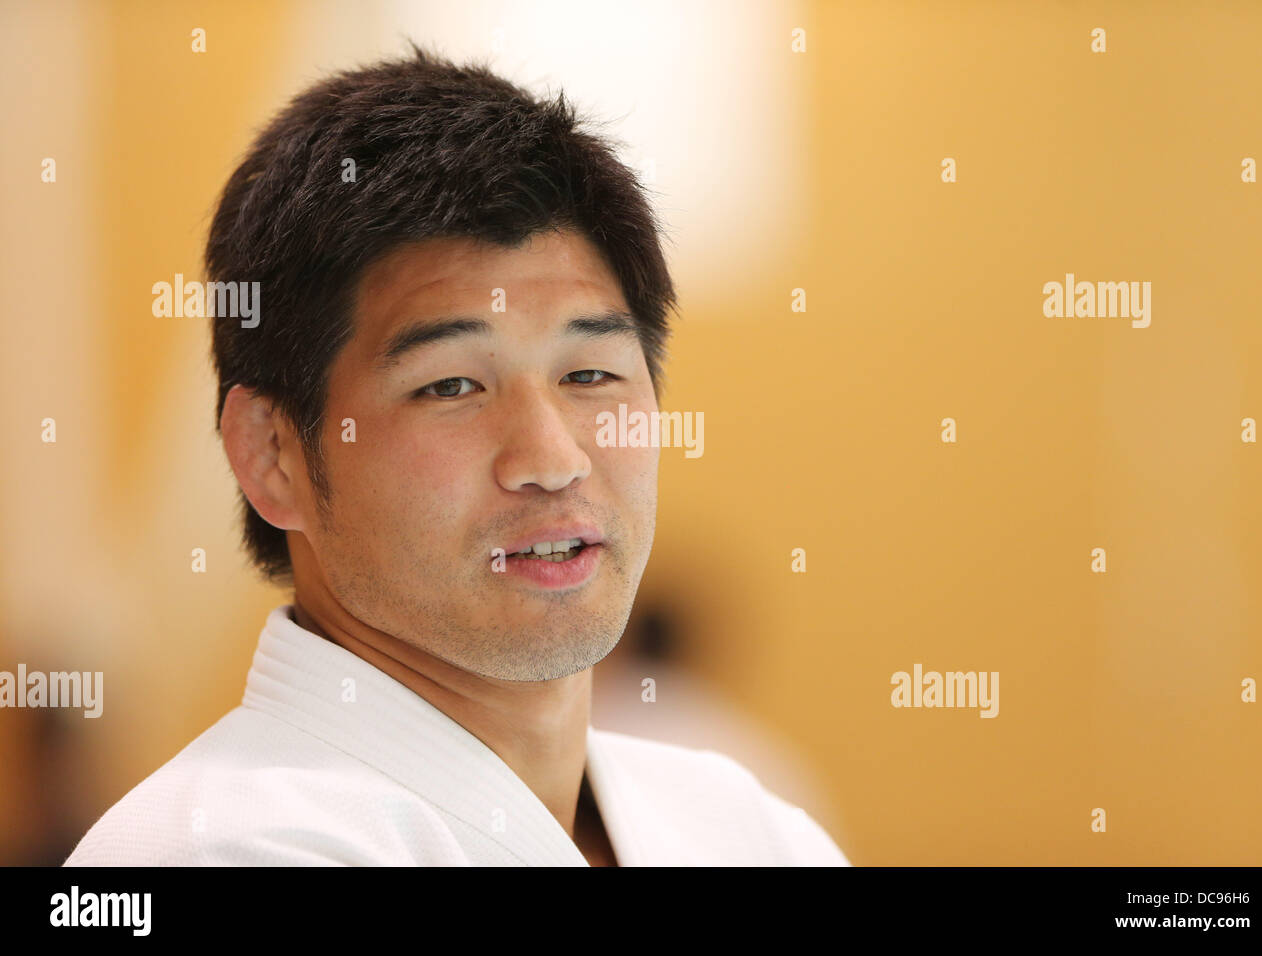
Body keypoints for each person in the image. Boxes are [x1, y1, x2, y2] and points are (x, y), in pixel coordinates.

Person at [65, 46, 850, 866]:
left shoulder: (751, 831)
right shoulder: (223, 848)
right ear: (271, 454)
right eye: (450, 387)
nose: (552, 458)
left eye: (589, 374)